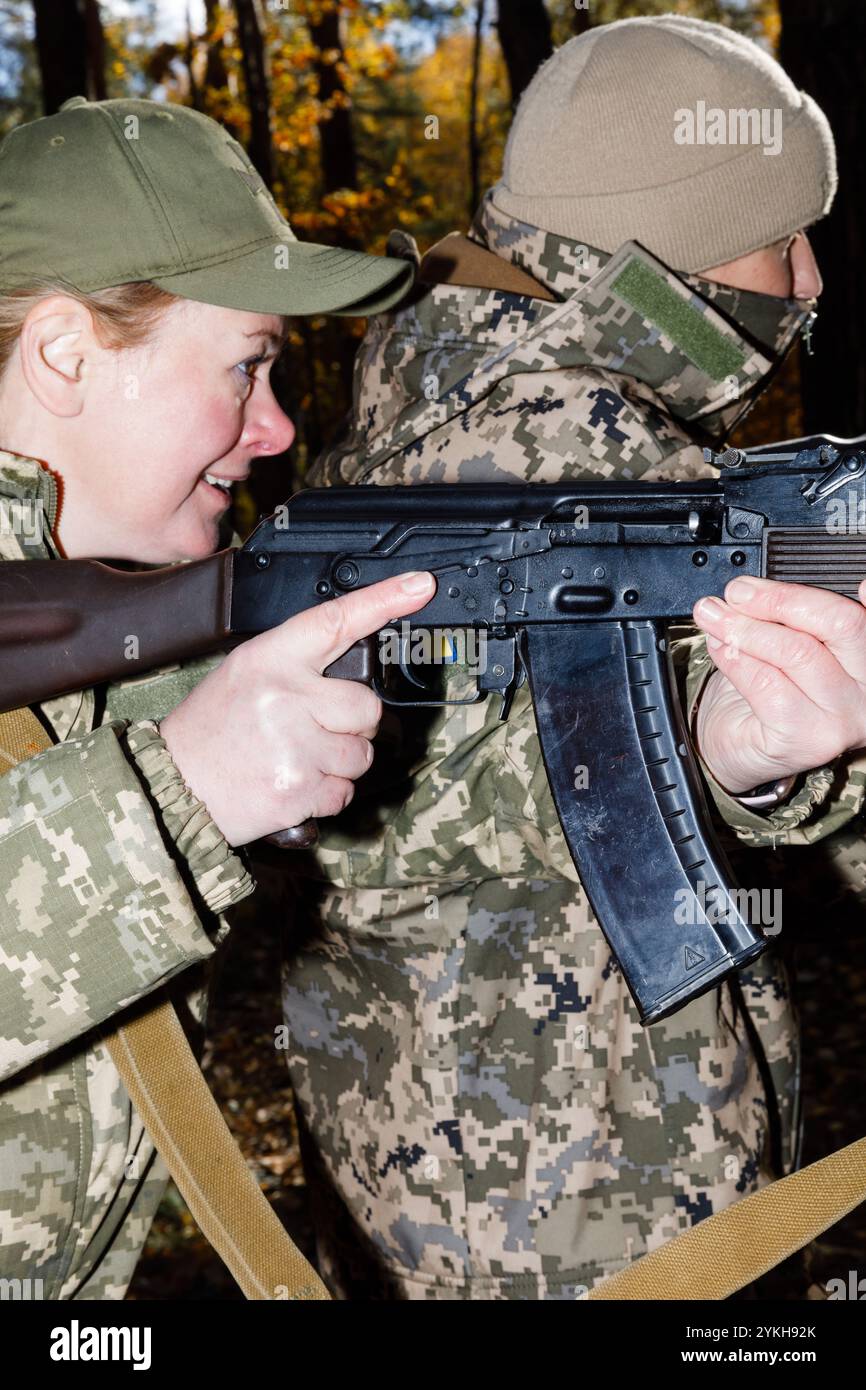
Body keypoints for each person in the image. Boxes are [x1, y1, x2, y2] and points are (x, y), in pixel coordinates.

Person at [278, 15, 866, 1299]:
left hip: (429, 1134)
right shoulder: (575, 443)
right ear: (678, 259)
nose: (811, 279)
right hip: (584, 1176)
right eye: (782, 239)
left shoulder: (437, 372)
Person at [0, 94, 435, 1300]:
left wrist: (727, 745)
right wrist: (173, 792)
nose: (277, 428)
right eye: (247, 365)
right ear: (64, 354)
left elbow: (440, 797)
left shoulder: (125, 631)